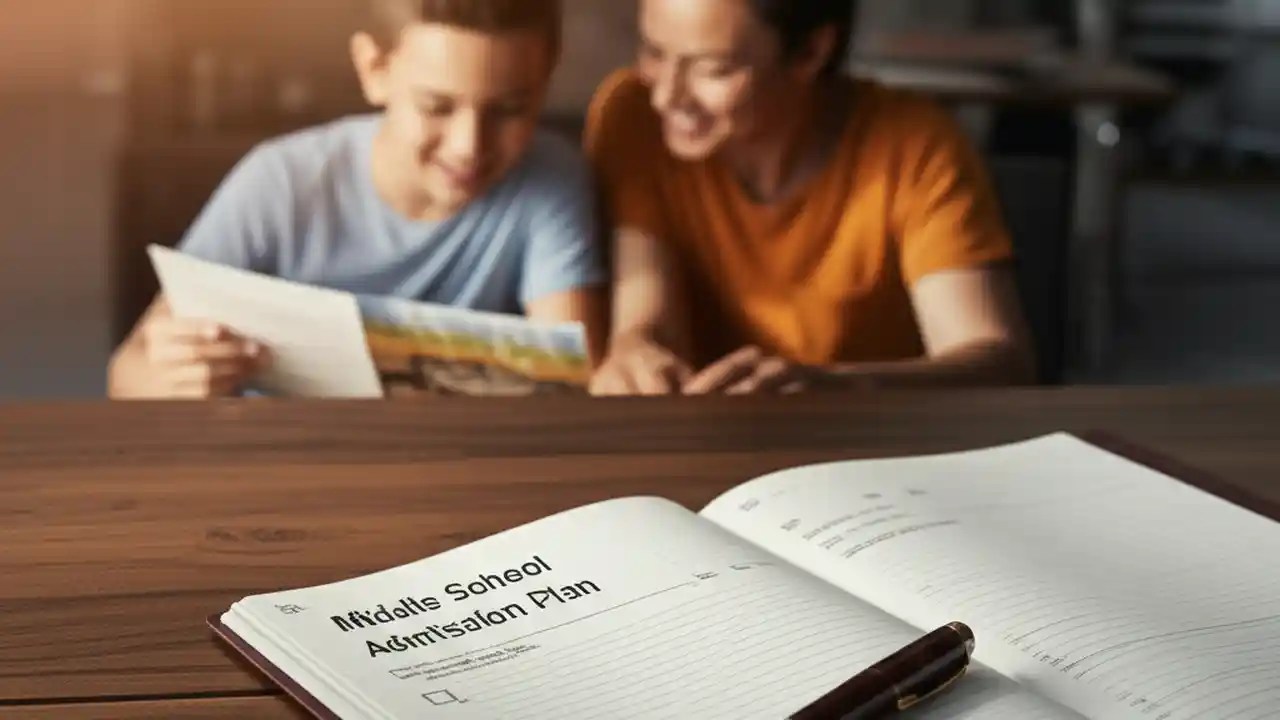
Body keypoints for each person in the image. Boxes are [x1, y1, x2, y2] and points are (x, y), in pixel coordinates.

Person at [108, 0, 606, 399]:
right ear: (374, 69)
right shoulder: (282, 180)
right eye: (436, 107)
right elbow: (127, 374)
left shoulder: (551, 179)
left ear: (546, 81)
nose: (468, 145)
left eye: (510, 110)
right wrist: (172, 378)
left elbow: (574, 381)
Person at [587, 0, 1036, 396]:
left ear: (810, 52)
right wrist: (636, 350)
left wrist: (843, 386)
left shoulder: (913, 146)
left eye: (713, 69)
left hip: (875, 454)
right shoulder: (634, 116)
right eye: (653, 52)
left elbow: (998, 361)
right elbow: (649, 316)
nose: (667, 96)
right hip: (701, 449)